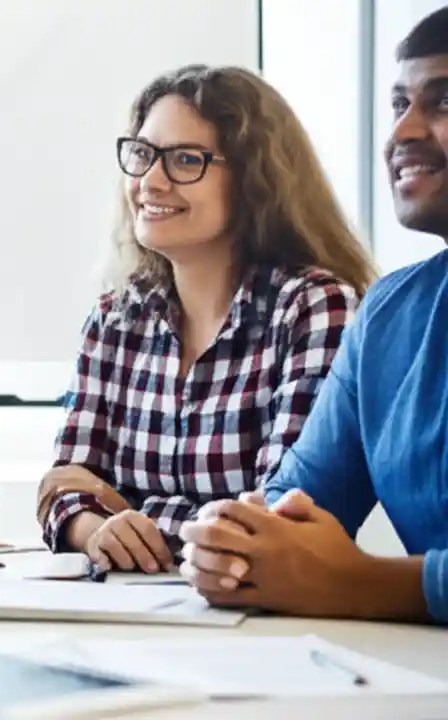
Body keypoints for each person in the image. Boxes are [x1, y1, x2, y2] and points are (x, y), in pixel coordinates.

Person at [36, 64, 377, 574]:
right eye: (143, 154)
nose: (150, 180)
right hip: (124, 611)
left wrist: (125, 512)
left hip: (260, 623)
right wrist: (96, 529)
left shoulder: (315, 308)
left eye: (186, 160)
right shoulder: (115, 318)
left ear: (255, 181)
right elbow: (63, 492)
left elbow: (278, 522)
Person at [179, 7, 448, 625]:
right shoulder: (389, 315)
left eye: (443, 101)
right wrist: (234, 545)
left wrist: (362, 585)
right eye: (398, 104)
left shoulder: (316, 302)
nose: (404, 131)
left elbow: (337, 577)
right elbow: (292, 508)